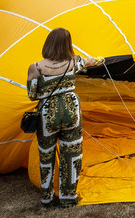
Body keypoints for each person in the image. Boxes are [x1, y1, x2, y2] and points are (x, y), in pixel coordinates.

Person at [26, 27, 103, 208]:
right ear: (68, 44)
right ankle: (68, 196)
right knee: (72, 153)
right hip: (71, 110)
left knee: (46, 155)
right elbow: (90, 61)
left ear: (48, 44)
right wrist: (100, 59)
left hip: (47, 115)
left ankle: (47, 197)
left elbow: (32, 95)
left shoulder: (36, 68)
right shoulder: (74, 62)